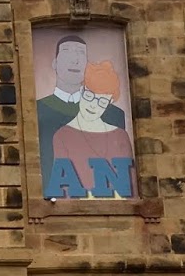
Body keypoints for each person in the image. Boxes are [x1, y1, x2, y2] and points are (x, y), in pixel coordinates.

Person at [36, 34, 126, 182]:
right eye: (66, 52)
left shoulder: (114, 115)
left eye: (81, 53)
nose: (74, 60)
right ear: (55, 63)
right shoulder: (37, 110)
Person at [51, 60, 134, 198]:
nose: (93, 106)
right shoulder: (62, 136)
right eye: (89, 96)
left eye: (102, 101)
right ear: (81, 90)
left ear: (110, 103)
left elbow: (131, 189)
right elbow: (62, 191)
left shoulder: (120, 135)